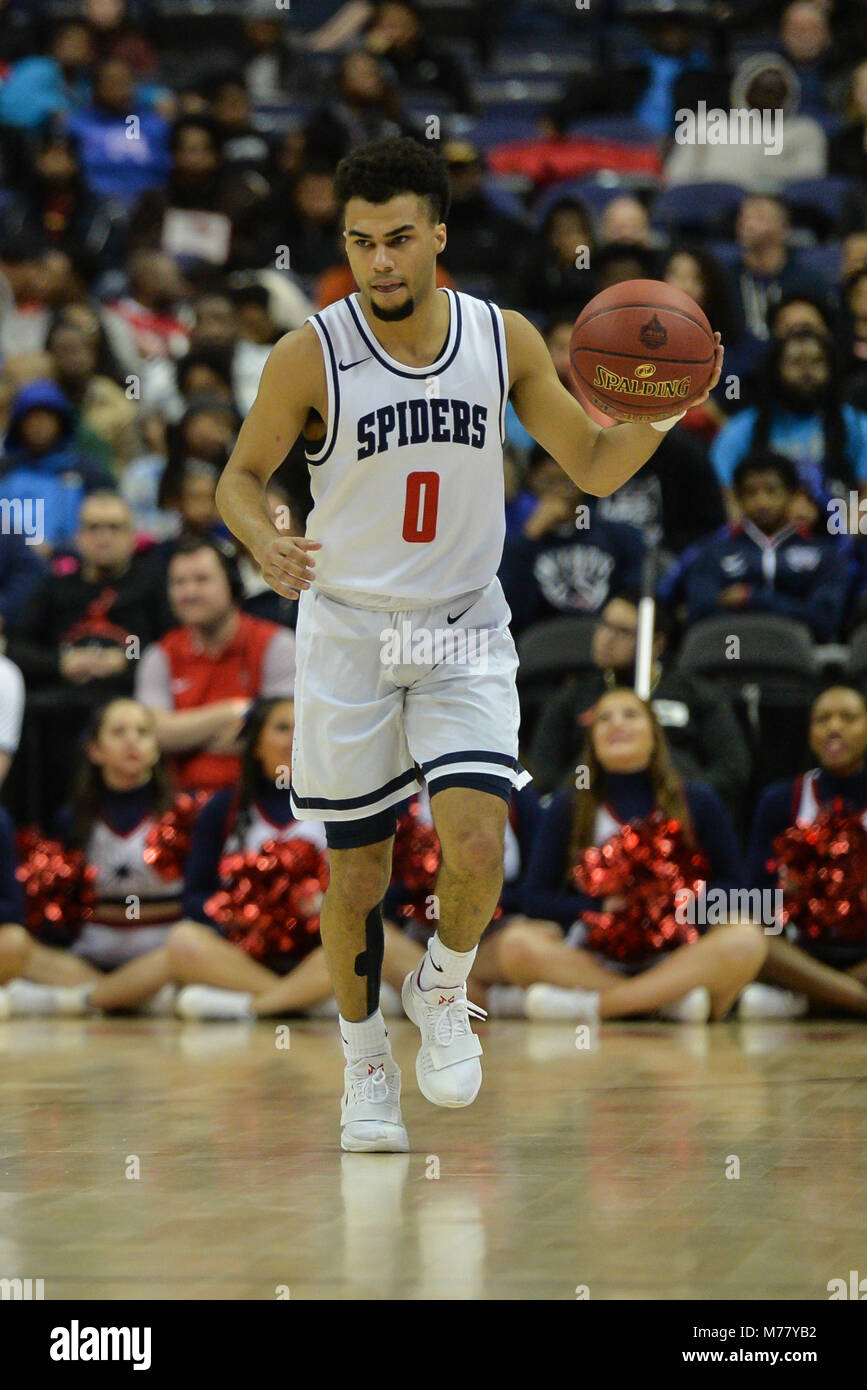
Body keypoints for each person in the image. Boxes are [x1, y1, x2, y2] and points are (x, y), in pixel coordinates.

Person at [213, 134, 723, 1152]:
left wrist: (658, 410)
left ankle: (441, 983)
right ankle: (364, 1064)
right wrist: (263, 538)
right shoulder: (308, 351)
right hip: (349, 633)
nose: (381, 262)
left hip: (462, 630)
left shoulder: (504, 337)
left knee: (479, 848)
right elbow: (240, 477)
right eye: (361, 243)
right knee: (357, 875)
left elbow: (591, 461)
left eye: (401, 239)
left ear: (439, 233)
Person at [516, 688, 767, 1022]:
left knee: (747, 937)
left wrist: (676, 902)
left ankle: (595, 1007)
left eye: (631, 715)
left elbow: (737, 887)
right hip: (595, 956)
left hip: (679, 952)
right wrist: (598, 907)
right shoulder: (571, 804)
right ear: (592, 740)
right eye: (603, 718)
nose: (616, 723)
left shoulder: (697, 799)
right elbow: (535, 899)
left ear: (654, 734)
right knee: (518, 943)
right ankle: (667, 1003)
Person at [528, 593, 750, 810]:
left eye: (622, 631)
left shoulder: (696, 693)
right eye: (604, 624)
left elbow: (731, 769)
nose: (606, 638)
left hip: (679, 811)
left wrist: (685, 797)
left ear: (656, 643)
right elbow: (543, 773)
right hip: (593, 814)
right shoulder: (573, 697)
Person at [134, 536, 296, 795]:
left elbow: (283, 737)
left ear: (232, 584)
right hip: (179, 806)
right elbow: (153, 735)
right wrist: (235, 711)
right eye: (179, 582)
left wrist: (184, 737)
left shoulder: (278, 645)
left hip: (260, 801)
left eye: (202, 580)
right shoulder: (159, 654)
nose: (189, 593)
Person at [744, 685, 867, 1018]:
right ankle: (854, 1001)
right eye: (822, 719)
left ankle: (805, 1002)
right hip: (801, 954)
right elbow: (756, 893)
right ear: (810, 732)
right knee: (744, 935)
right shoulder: (781, 799)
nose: (834, 727)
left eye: (849, 717)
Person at [684, 451, 850, 642]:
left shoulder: (825, 555)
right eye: (751, 493)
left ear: (793, 494)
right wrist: (793, 607)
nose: (761, 503)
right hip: (729, 652)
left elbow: (824, 621)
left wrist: (751, 598)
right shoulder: (714, 553)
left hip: (799, 659)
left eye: (771, 491)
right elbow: (699, 615)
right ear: (737, 498)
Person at [710, 329, 867, 507]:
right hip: (766, 531)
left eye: (817, 362)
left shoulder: (856, 424)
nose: (807, 371)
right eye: (796, 362)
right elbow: (727, 501)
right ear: (775, 369)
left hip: (837, 527)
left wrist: (844, 532)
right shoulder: (742, 429)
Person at [498, 451, 646, 636]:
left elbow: (637, 596)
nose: (561, 489)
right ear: (532, 482)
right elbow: (509, 611)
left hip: (606, 634)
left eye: (568, 480)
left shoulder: (621, 537)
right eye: (550, 481)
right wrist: (529, 537)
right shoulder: (517, 546)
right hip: (542, 644)